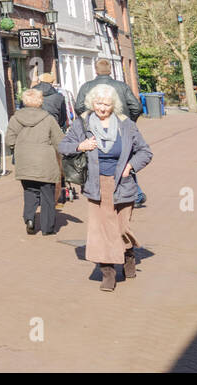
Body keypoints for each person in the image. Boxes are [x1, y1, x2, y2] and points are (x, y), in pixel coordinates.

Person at [59, 83, 153, 292]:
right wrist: (79, 146)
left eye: (107, 104)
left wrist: (130, 166)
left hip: (123, 184)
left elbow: (145, 152)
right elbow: (62, 146)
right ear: (91, 103)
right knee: (101, 231)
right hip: (96, 185)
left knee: (121, 229)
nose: (102, 108)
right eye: (98, 103)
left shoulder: (126, 125)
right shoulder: (81, 124)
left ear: (114, 105)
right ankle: (108, 273)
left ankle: (128, 255)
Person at [75, 59, 147, 208]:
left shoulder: (87, 87)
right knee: (126, 158)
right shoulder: (121, 86)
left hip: (95, 131)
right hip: (120, 130)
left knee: (98, 161)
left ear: (96, 70)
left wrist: (90, 121)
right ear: (111, 71)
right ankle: (134, 194)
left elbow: (78, 107)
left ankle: (102, 195)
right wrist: (128, 122)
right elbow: (136, 107)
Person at [5, 88, 64, 235]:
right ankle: (47, 228)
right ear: (40, 101)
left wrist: (20, 148)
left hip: (25, 161)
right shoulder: (48, 118)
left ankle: (30, 219)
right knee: (47, 195)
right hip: (46, 162)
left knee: (30, 191)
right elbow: (60, 141)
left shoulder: (15, 118)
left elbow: (9, 140)